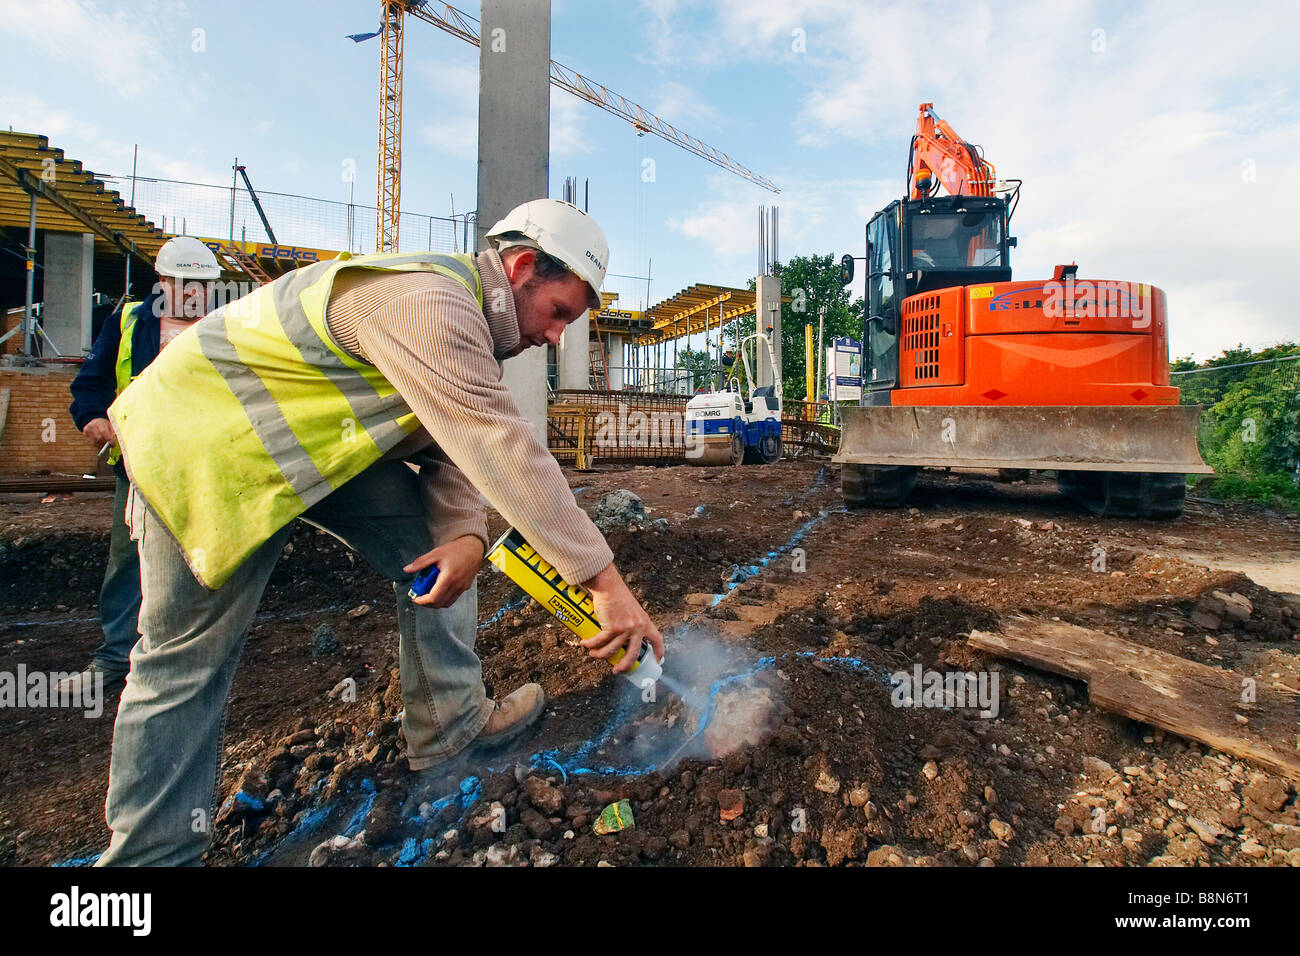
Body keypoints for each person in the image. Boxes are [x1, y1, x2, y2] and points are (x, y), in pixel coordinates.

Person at [96, 199, 662, 865]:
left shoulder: (464, 323)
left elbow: (457, 439)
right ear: (523, 267)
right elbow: (499, 442)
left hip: (307, 447)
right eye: (560, 312)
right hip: (204, 437)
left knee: (438, 536)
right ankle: (147, 861)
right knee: (185, 657)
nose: (557, 335)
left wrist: (465, 538)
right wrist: (603, 581)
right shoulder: (430, 304)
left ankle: (450, 726)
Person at [62, 236, 222, 694]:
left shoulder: (223, 325)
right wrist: (91, 418)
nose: (195, 293)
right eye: (185, 283)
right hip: (139, 466)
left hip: (204, 464)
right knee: (129, 561)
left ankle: (187, 651)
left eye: (204, 285)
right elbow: (90, 381)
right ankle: (115, 657)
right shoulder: (131, 320)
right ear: (163, 281)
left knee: (205, 557)